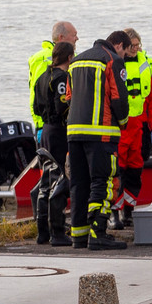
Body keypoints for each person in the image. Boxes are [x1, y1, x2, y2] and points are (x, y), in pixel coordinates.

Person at [66, 30, 130, 250]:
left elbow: (68, 98)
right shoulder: (113, 60)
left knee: (78, 183)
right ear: (119, 46)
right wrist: (123, 122)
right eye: (126, 51)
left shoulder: (75, 61)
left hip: (74, 132)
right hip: (102, 133)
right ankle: (98, 233)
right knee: (102, 182)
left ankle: (79, 236)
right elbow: (119, 97)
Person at [115, 27, 152, 228]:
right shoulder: (114, 64)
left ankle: (128, 211)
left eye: (137, 45)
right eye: (131, 46)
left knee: (135, 171)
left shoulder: (145, 64)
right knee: (116, 172)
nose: (135, 49)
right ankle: (114, 214)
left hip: (139, 127)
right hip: (119, 126)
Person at [31, 41, 74, 246]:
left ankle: (42, 232)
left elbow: (36, 107)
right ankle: (57, 232)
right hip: (58, 130)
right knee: (59, 180)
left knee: (46, 180)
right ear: (69, 58)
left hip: (45, 130)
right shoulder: (62, 78)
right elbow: (61, 106)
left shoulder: (41, 77)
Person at [29, 21, 78, 131]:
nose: (77, 38)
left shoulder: (72, 55)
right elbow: (42, 91)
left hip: (51, 122)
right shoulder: (44, 57)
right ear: (61, 37)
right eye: (74, 35)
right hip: (49, 122)